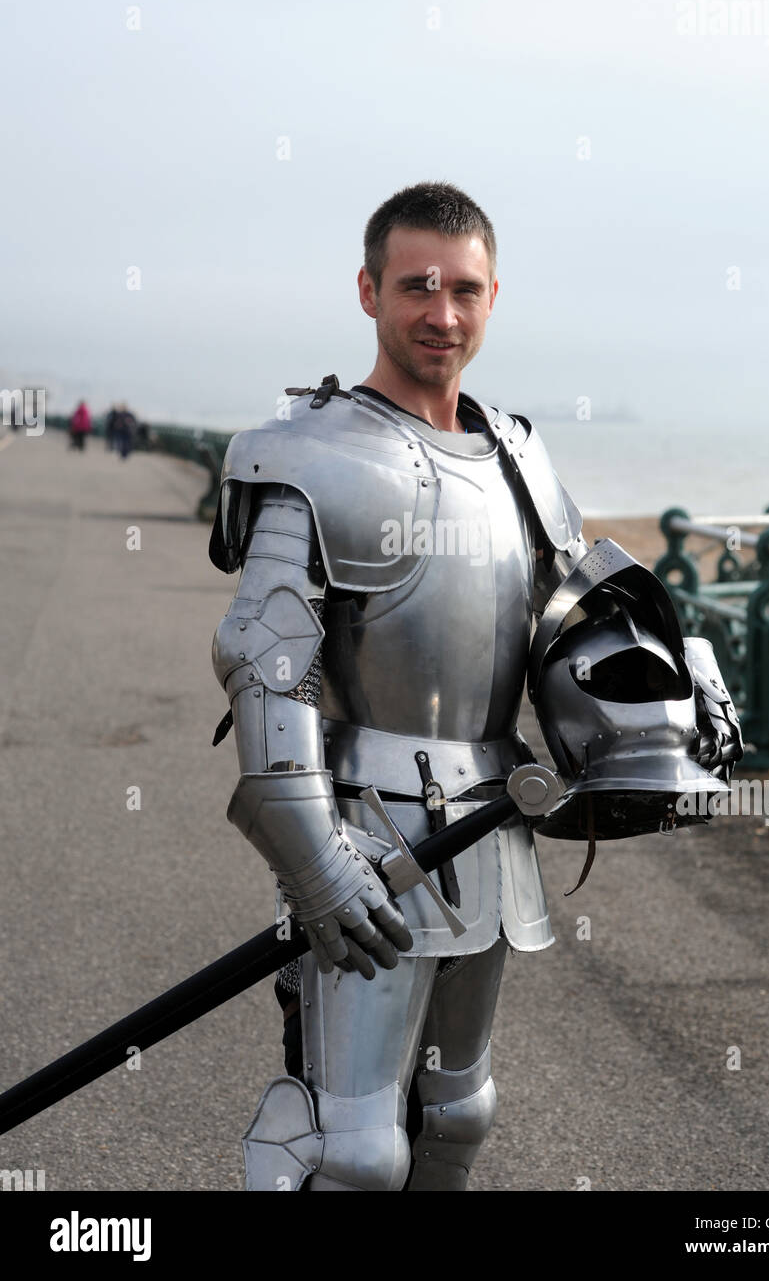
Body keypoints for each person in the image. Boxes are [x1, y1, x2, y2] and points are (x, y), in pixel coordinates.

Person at [209, 181, 592, 1191]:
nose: (443, 312)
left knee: (459, 1115)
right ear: (370, 290)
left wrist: (661, 712)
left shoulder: (520, 457)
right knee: (357, 1146)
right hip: (364, 834)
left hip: (492, 836)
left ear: (493, 295)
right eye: (417, 285)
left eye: (464, 288)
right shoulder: (311, 453)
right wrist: (318, 868)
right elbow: (265, 662)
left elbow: (570, 630)